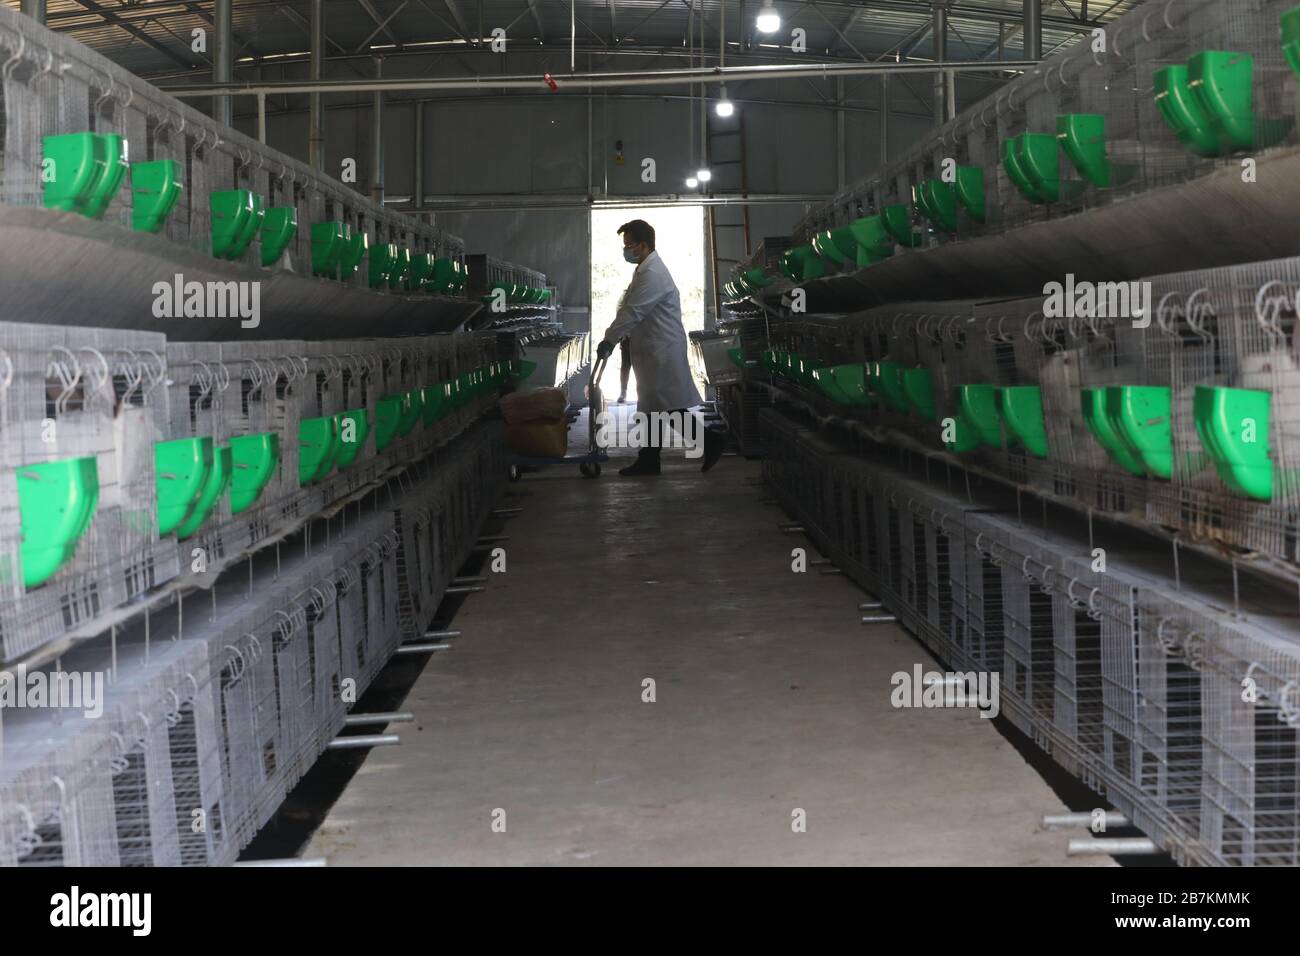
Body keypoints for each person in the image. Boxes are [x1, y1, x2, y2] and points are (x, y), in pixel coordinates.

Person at [597, 219, 724, 477]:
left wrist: (610, 338)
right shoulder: (645, 270)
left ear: (643, 246)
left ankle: (711, 441)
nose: (626, 250)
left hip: (661, 350)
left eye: (629, 245)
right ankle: (649, 460)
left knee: (666, 406)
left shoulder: (653, 274)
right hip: (653, 350)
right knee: (653, 406)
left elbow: (633, 311)